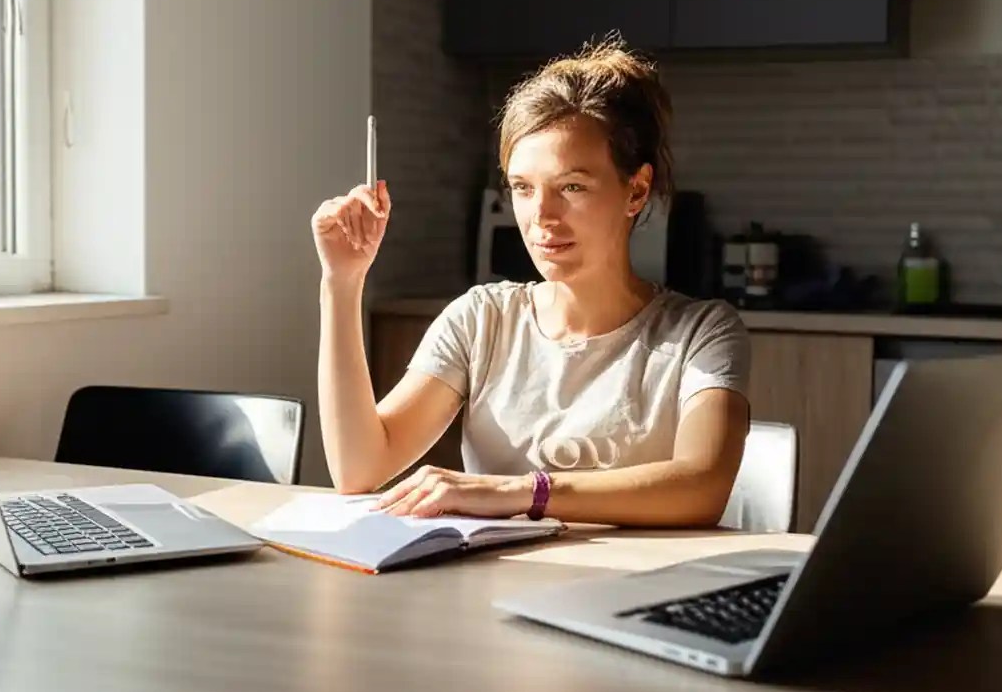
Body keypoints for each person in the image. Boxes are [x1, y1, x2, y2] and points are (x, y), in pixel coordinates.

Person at [310, 38, 750, 527]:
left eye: (571, 187)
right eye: (523, 188)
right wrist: (342, 282)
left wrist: (523, 492)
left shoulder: (701, 334)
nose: (541, 216)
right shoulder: (481, 319)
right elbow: (358, 469)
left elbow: (703, 485)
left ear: (637, 190)